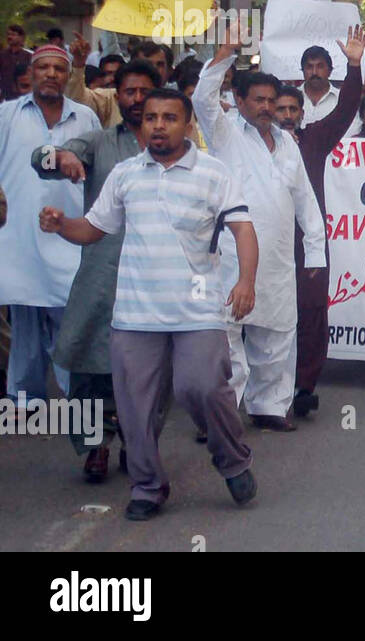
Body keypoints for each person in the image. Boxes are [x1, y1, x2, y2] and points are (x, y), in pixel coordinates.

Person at [39, 89, 258, 521]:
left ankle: (231, 459)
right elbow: (93, 230)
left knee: (202, 388)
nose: (159, 125)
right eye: (152, 118)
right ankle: (147, 487)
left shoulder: (214, 174)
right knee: (134, 407)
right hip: (136, 315)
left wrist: (246, 281)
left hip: (197, 310)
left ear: (188, 124)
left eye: (169, 117)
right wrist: (62, 225)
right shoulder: (125, 175)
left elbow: (244, 229)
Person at [31, 60, 161, 481]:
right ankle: (95, 448)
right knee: (87, 360)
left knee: (150, 368)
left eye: (145, 92)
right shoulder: (101, 142)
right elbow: (43, 156)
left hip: (158, 277)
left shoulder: (174, 146)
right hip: (103, 275)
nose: (137, 99)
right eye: (129, 92)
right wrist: (61, 155)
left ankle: (136, 443)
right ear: (118, 98)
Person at [195, 32, 327, 431]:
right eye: (259, 100)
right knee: (228, 338)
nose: (268, 107)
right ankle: (220, 416)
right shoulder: (226, 134)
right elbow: (202, 100)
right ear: (240, 102)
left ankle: (269, 406)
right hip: (232, 255)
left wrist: (316, 250)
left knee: (278, 333)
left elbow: (305, 198)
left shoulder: (287, 142)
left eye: (272, 100)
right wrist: (225, 54)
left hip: (278, 257)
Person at [0, 45, 100, 408]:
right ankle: (25, 398)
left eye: (59, 68)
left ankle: (77, 396)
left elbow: (96, 170)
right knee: (25, 320)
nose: (51, 74)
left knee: (69, 317)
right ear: (32, 71)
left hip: (69, 233)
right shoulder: (7, 115)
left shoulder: (85, 118)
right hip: (20, 237)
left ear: (68, 74)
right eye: (43, 67)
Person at [280, 27, 365, 417]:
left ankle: (303, 386)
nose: (284, 117)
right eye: (278, 110)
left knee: (312, 310)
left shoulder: (314, 138)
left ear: (301, 114)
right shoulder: (247, 145)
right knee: (266, 315)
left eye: (291, 111)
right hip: (261, 241)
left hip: (308, 242)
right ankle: (265, 387)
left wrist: (352, 65)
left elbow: (348, 107)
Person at [298, 45, 362, 136]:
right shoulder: (290, 100)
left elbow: (352, 133)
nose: (314, 72)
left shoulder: (343, 100)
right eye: (309, 67)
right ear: (303, 71)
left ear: (330, 70)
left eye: (320, 67)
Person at [1, 24, 32, 101]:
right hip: (5, 98)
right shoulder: (2, 55)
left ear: (21, 38)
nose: (9, 37)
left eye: (13, 35)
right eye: (8, 34)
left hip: (24, 98)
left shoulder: (29, 56)